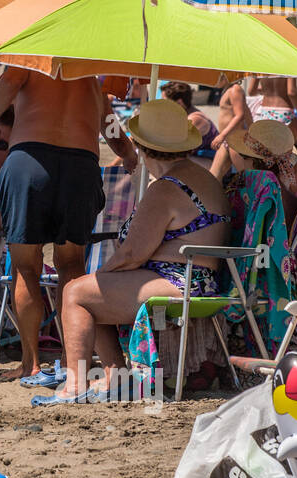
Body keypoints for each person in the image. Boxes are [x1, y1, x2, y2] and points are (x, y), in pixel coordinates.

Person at [39, 100, 230, 405]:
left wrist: (99, 277)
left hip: (179, 282)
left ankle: (75, 385)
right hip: (200, 278)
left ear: (141, 145)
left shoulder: (167, 188)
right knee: (93, 289)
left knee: (77, 292)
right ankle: (115, 375)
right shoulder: (201, 177)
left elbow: (133, 255)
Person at [0, 67, 137, 385]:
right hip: (80, 165)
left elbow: (8, 82)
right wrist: (127, 153)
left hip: (29, 160)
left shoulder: (34, 58)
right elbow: (109, 126)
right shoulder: (89, 76)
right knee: (72, 265)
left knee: (25, 268)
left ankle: (30, 363)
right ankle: (70, 358)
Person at [161, 81, 218, 160]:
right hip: (197, 159)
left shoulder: (194, 119)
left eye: (165, 101)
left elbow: (179, 148)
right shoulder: (181, 116)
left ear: (179, 103)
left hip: (211, 162)